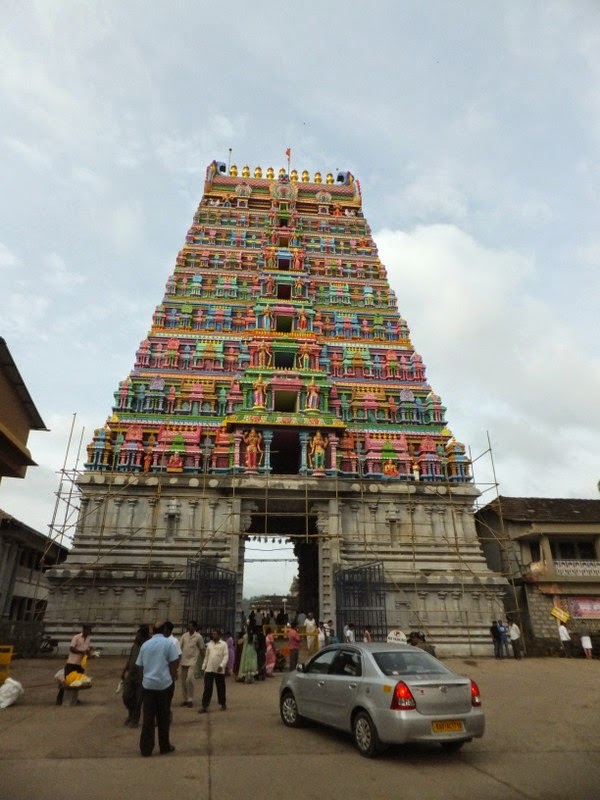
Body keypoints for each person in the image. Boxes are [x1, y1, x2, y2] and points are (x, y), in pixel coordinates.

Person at [136, 621, 179, 757]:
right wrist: (173, 678)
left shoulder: (145, 645)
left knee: (148, 718)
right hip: (164, 685)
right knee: (163, 718)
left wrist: (143, 682)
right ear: (165, 629)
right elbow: (173, 663)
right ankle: (164, 746)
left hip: (148, 686)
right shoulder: (168, 644)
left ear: (153, 631)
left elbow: (140, 666)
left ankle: (146, 748)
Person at [56, 623, 93, 706]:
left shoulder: (88, 639)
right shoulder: (76, 637)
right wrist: (81, 652)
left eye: (90, 630)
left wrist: (89, 654)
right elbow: (72, 648)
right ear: (84, 630)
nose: (89, 632)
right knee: (66, 680)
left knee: (77, 681)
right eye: (88, 630)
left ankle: (74, 698)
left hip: (80, 664)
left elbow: (87, 649)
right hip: (72, 662)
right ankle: (59, 698)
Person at [121, 624, 151, 726]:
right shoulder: (135, 645)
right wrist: (124, 670)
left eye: (138, 636)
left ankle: (134, 719)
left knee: (138, 699)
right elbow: (130, 658)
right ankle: (131, 714)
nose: (136, 637)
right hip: (131, 675)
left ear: (143, 637)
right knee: (127, 696)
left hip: (141, 676)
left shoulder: (147, 646)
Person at [198, 629, 229, 712]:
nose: (213, 635)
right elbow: (206, 657)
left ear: (219, 635)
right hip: (209, 669)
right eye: (213, 634)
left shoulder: (223, 644)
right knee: (207, 688)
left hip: (219, 670)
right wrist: (203, 667)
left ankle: (223, 703)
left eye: (215, 634)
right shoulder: (209, 645)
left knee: (221, 687)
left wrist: (222, 665)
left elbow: (226, 656)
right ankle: (205, 706)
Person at [179, 621, 205, 707]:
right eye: (188, 625)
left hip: (193, 660)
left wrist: (205, 661)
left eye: (190, 626)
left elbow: (202, 649)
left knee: (189, 679)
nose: (189, 627)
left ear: (194, 627)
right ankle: (185, 699)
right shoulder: (184, 636)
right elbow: (179, 647)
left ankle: (190, 699)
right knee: (183, 681)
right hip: (184, 660)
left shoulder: (198, 637)